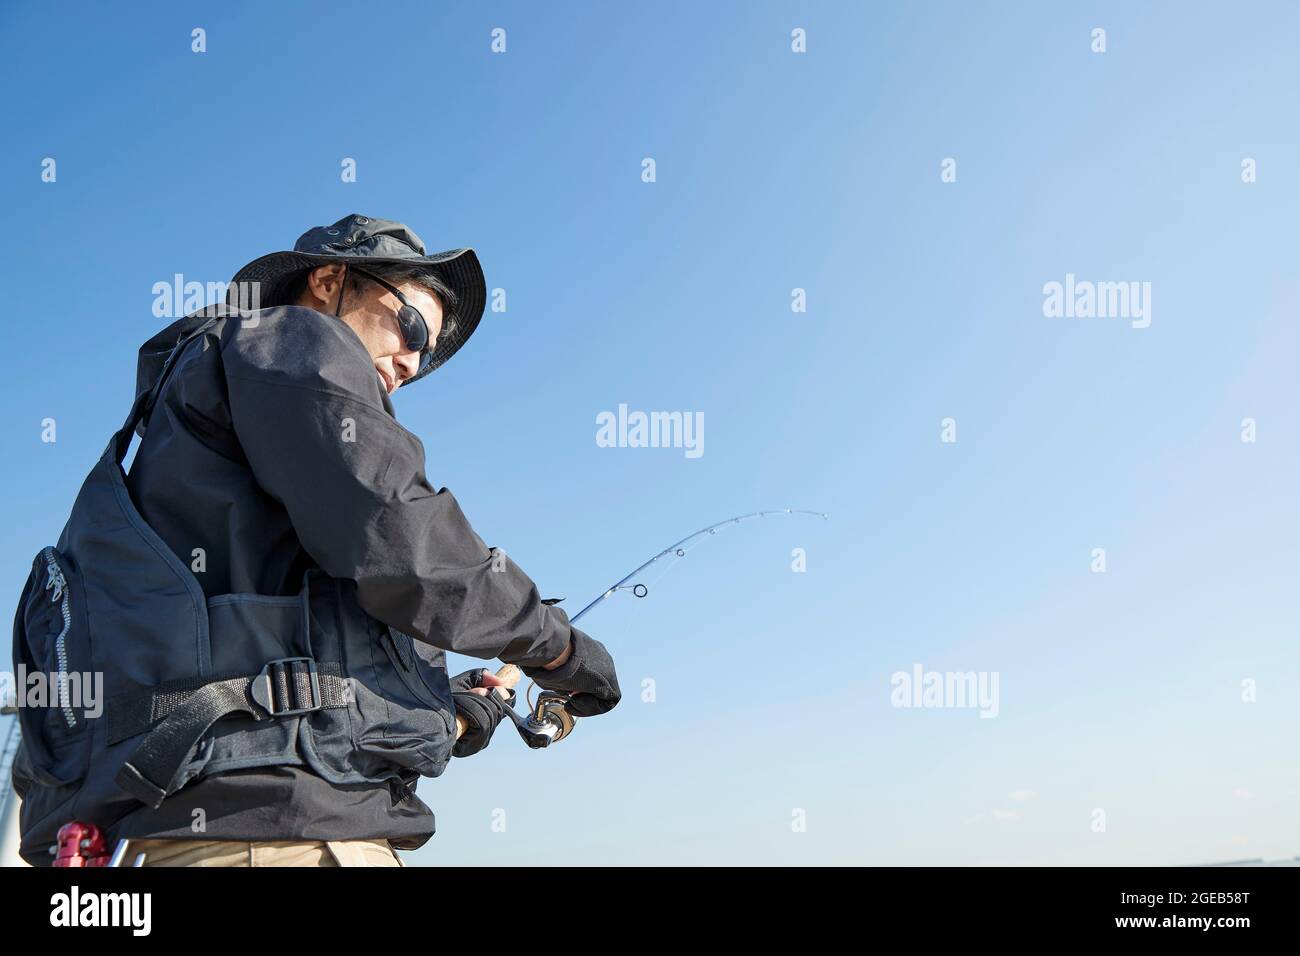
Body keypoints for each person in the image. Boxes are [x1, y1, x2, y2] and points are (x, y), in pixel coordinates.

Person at [9, 214, 620, 867]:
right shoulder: (289, 339)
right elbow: (403, 543)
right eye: (410, 325)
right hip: (277, 838)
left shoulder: (212, 417)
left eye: (427, 355)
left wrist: (463, 708)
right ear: (329, 280)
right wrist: (558, 648)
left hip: (216, 827)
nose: (413, 361)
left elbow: (313, 666)